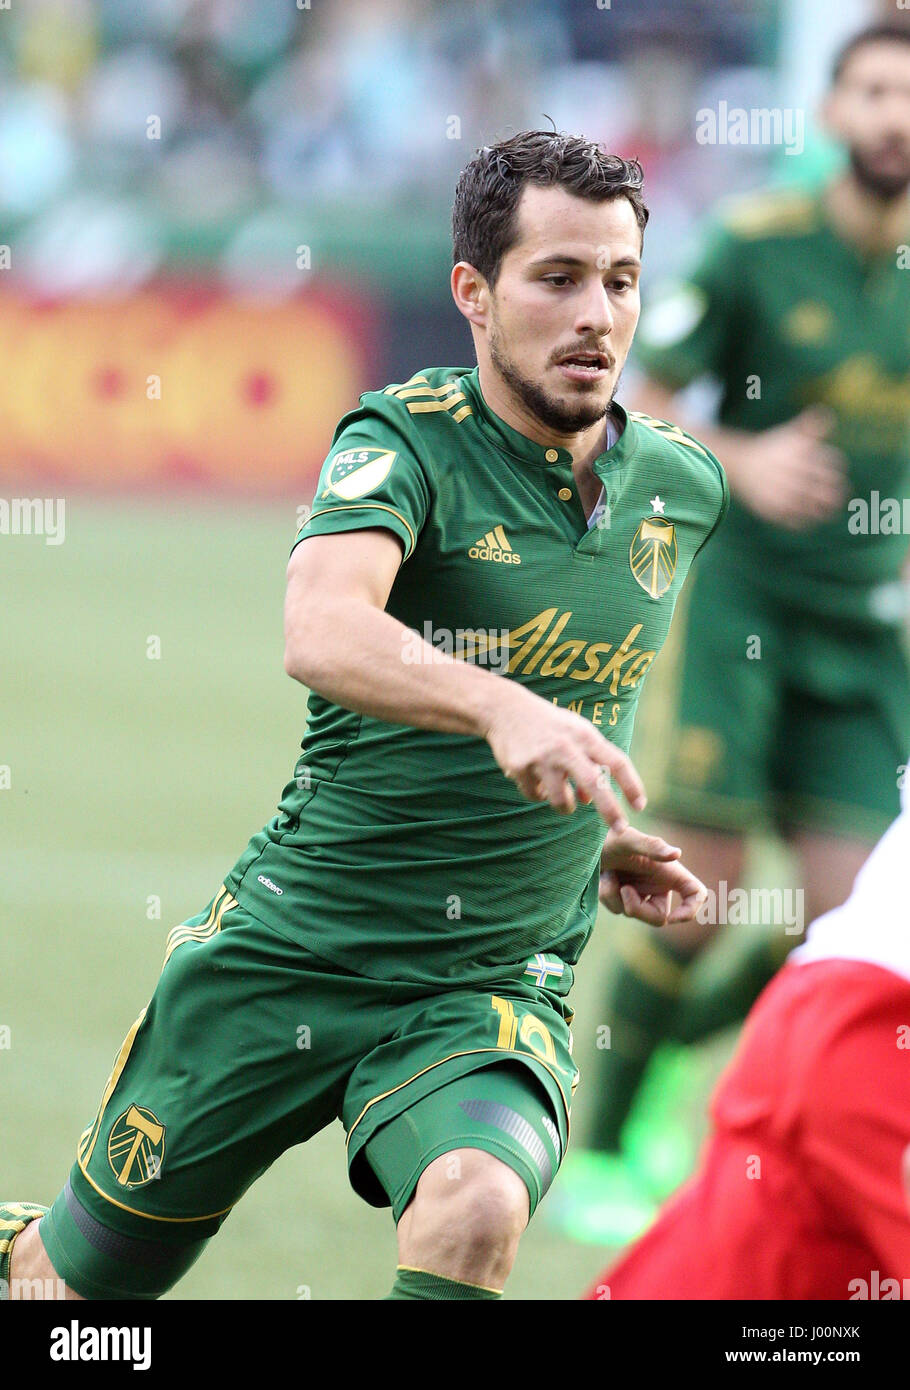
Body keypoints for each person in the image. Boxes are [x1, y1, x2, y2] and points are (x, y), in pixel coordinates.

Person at [1, 130, 727, 1302]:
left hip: (492, 981)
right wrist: (502, 713)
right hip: (292, 949)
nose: (597, 313)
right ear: (473, 295)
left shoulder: (679, 489)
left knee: (475, 1205)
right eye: (558, 278)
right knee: (71, 1293)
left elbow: (592, 689)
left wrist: (592, 837)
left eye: (621, 280)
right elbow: (321, 630)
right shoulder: (404, 440)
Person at [569, 21, 910, 1238]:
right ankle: (602, 1141)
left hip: (872, 637)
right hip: (745, 613)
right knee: (703, 893)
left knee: (844, 928)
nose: (892, 117)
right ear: (829, 111)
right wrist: (749, 459)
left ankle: (687, 1081)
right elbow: (637, 395)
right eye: (872, 90)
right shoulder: (761, 247)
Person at [586, 764, 910, 1301]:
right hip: (865, 1019)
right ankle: (608, 1138)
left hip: (829, 1006)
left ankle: (679, 1050)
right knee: (702, 889)